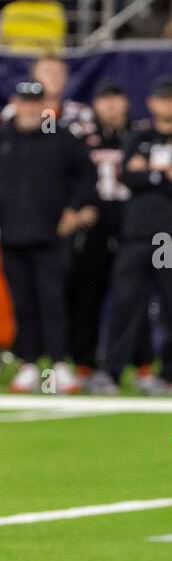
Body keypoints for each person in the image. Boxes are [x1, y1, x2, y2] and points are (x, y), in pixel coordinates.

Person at [103, 76, 172, 396]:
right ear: (152, 103)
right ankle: (112, 372)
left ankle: (167, 374)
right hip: (136, 233)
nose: (168, 104)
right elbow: (128, 177)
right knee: (125, 303)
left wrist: (148, 171)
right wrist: (164, 173)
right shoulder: (138, 135)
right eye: (162, 99)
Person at [0, 80, 96, 394]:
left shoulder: (59, 135)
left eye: (35, 101)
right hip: (12, 235)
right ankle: (28, 363)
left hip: (51, 236)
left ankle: (57, 365)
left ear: (44, 104)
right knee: (23, 303)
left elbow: (87, 174)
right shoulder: (3, 136)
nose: (30, 107)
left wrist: (73, 209)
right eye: (25, 100)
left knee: (53, 302)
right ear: (15, 101)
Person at [71, 82, 132, 393]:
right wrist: (79, 207)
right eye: (104, 100)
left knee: (129, 299)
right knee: (87, 296)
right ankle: (84, 363)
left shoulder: (137, 133)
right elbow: (71, 173)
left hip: (129, 227)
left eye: (115, 98)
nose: (110, 106)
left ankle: (128, 364)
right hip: (93, 227)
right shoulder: (82, 135)